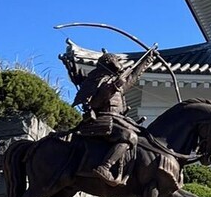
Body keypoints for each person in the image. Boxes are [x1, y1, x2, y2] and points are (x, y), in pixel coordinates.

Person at [60, 43, 160, 186]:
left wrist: (148, 59)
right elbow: (94, 103)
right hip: (102, 118)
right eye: (117, 61)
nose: (120, 64)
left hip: (118, 118)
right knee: (128, 136)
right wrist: (112, 88)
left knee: (142, 135)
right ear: (110, 62)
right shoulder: (98, 80)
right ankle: (104, 167)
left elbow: (134, 75)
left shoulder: (117, 82)